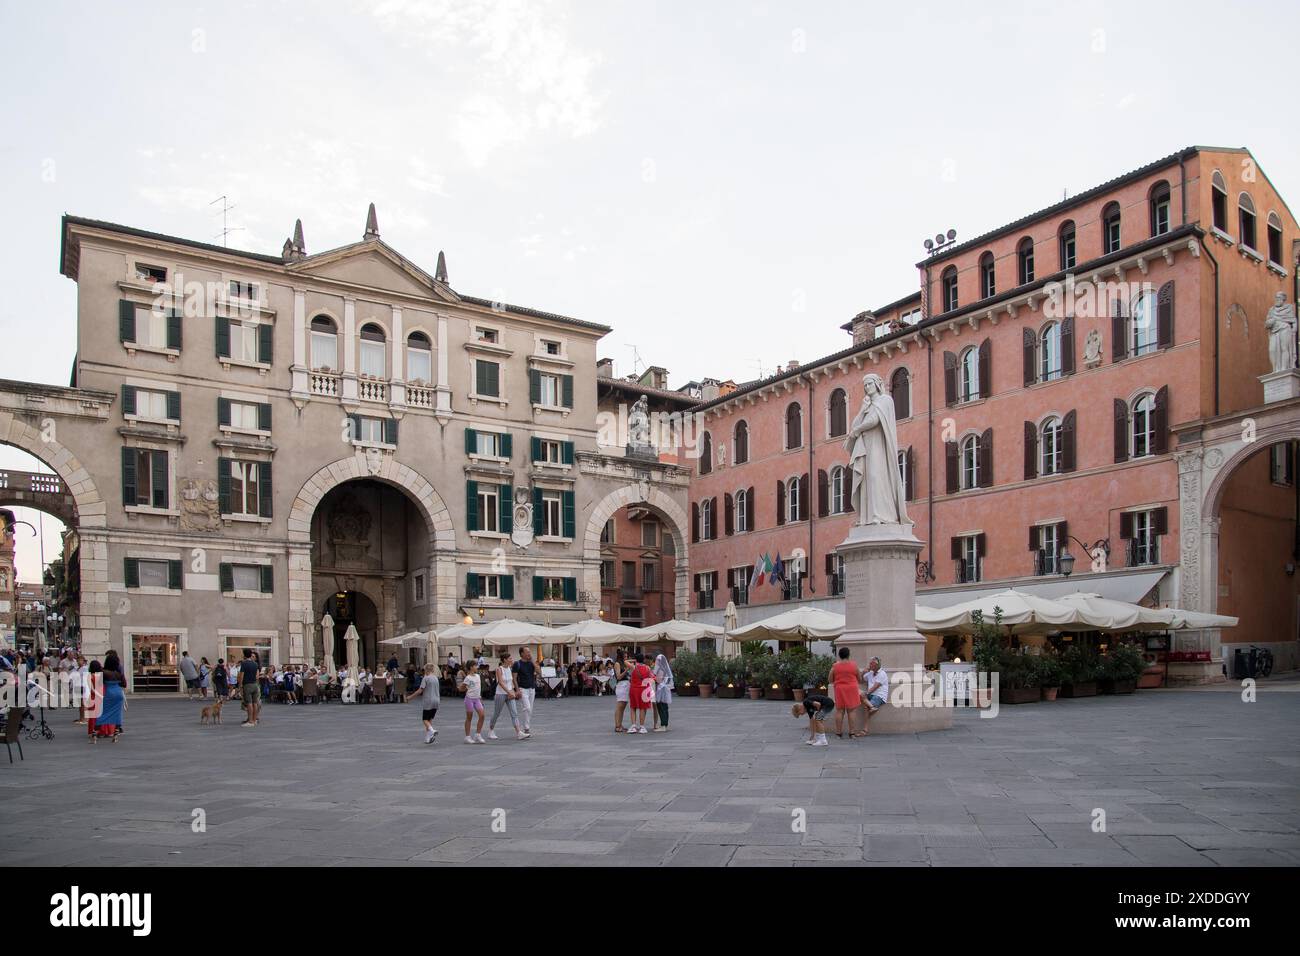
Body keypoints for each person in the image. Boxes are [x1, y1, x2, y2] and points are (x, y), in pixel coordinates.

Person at [488, 651, 530, 741]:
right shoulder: (499, 669)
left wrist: (515, 691)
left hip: (510, 694)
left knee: (514, 713)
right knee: (497, 713)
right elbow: (501, 682)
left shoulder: (509, 669)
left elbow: (510, 682)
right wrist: (509, 692)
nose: (512, 660)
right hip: (500, 694)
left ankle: (519, 733)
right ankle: (491, 730)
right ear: (505, 660)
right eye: (510, 658)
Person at [830, 647, 864, 739]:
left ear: (839, 655)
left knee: (840, 710)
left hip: (840, 689)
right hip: (852, 688)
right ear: (848, 655)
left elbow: (830, 679)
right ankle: (852, 733)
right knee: (851, 710)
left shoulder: (835, 666)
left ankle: (838, 733)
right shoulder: (854, 665)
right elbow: (860, 679)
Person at [93, 652, 127, 742]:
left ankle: (95, 734)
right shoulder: (118, 674)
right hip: (118, 693)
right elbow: (124, 684)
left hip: (108, 693)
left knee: (102, 713)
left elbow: (98, 683)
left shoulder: (104, 672)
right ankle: (115, 735)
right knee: (118, 714)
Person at [405, 662, 441, 744]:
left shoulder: (426, 678)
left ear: (426, 670)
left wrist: (410, 697)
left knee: (425, 719)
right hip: (436, 700)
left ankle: (432, 730)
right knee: (429, 719)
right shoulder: (435, 678)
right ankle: (428, 738)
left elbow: (420, 690)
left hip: (429, 700)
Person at [627, 651, 655, 734]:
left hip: (634, 689)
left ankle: (633, 726)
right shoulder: (647, 668)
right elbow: (652, 677)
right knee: (643, 708)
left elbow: (625, 662)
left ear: (636, 660)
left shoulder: (633, 667)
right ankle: (642, 726)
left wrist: (633, 660)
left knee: (633, 707)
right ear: (643, 659)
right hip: (644, 689)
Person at [459, 661, 486, 744]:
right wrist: (463, 688)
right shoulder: (468, 678)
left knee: (482, 715)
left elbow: (478, 688)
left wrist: (480, 697)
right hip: (469, 699)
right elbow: (461, 688)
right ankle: (467, 737)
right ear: (471, 667)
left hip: (477, 699)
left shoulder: (478, 676)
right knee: (469, 717)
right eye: (475, 666)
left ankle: (478, 734)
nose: (477, 667)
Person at [512, 647, 538, 734]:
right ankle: (526, 727)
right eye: (527, 652)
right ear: (522, 653)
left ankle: (527, 727)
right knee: (527, 708)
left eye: (529, 652)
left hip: (532, 688)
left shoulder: (531, 663)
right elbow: (514, 678)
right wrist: (517, 690)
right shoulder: (517, 664)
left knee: (530, 709)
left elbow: (539, 671)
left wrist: (533, 661)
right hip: (522, 688)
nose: (529, 653)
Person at [860, 657, 889, 734]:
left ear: (876, 665)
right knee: (858, 692)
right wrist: (863, 672)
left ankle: (865, 729)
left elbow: (875, 687)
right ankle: (872, 707)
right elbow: (861, 681)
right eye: (869, 663)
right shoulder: (870, 673)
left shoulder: (882, 674)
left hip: (879, 696)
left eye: (871, 664)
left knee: (866, 707)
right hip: (870, 695)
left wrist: (865, 694)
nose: (869, 665)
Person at [237, 647, 261, 728]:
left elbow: (241, 675)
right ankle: (254, 720)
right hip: (255, 684)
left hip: (247, 684)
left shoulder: (244, 663)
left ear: (244, 655)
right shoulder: (255, 664)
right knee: (255, 703)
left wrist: (240, 685)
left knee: (249, 703)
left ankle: (250, 721)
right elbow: (257, 675)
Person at [652, 653, 674, 732]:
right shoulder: (665, 668)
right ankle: (665, 724)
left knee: (661, 706)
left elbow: (657, 679)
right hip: (665, 689)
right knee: (664, 707)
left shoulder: (660, 669)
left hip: (661, 689)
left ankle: (663, 725)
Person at [612, 650, 630, 733]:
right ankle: (617, 725)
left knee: (623, 706)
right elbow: (618, 677)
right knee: (620, 706)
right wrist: (626, 671)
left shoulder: (623, 663)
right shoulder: (617, 664)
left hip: (625, 685)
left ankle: (620, 724)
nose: (626, 658)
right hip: (621, 685)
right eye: (625, 656)